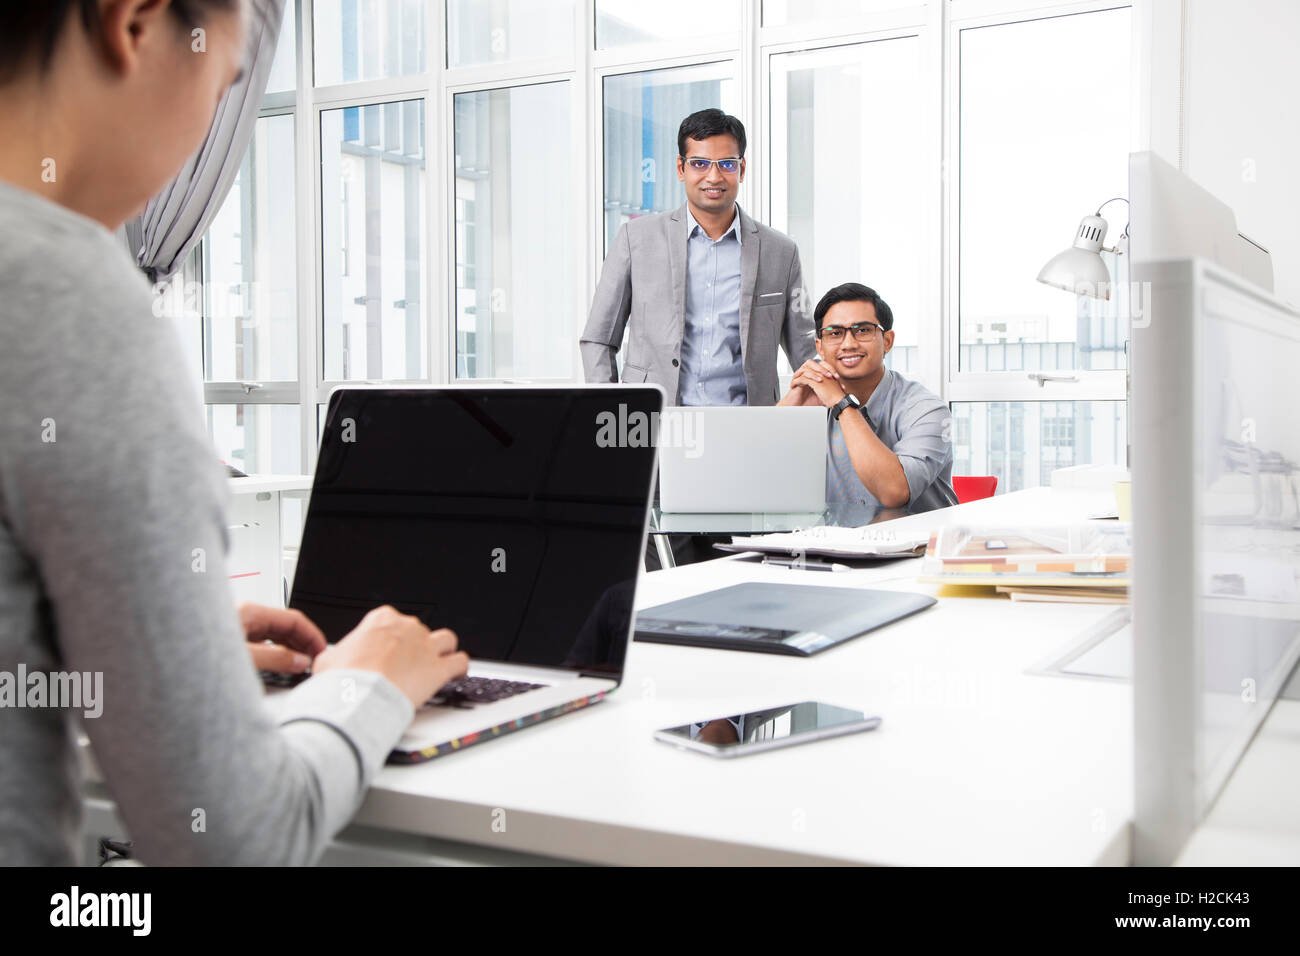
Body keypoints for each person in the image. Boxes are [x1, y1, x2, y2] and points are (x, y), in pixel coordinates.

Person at [0, 0, 468, 866]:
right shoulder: (68, 299)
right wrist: (368, 685)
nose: (217, 117)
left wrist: (158, 644)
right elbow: (237, 840)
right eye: (227, 77)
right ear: (133, 23)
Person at [580, 108, 815, 407]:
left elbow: (806, 349)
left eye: (727, 164)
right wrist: (613, 413)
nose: (713, 176)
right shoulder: (635, 239)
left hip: (748, 423)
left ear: (742, 169)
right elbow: (598, 337)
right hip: (655, 419)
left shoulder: (780, 252)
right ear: (681, 168)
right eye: (700, 163)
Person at [779, 283, 957, 523]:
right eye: (835, 333)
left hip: (918, 551)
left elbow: (893, 492)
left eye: (862, 330)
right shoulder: (811, 402)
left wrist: (841, 405)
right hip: (833, 551)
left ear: (888, 341)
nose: (849, 343)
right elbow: (754, 479)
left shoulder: (927, 410)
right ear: (819, 347)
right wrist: (791, 404)